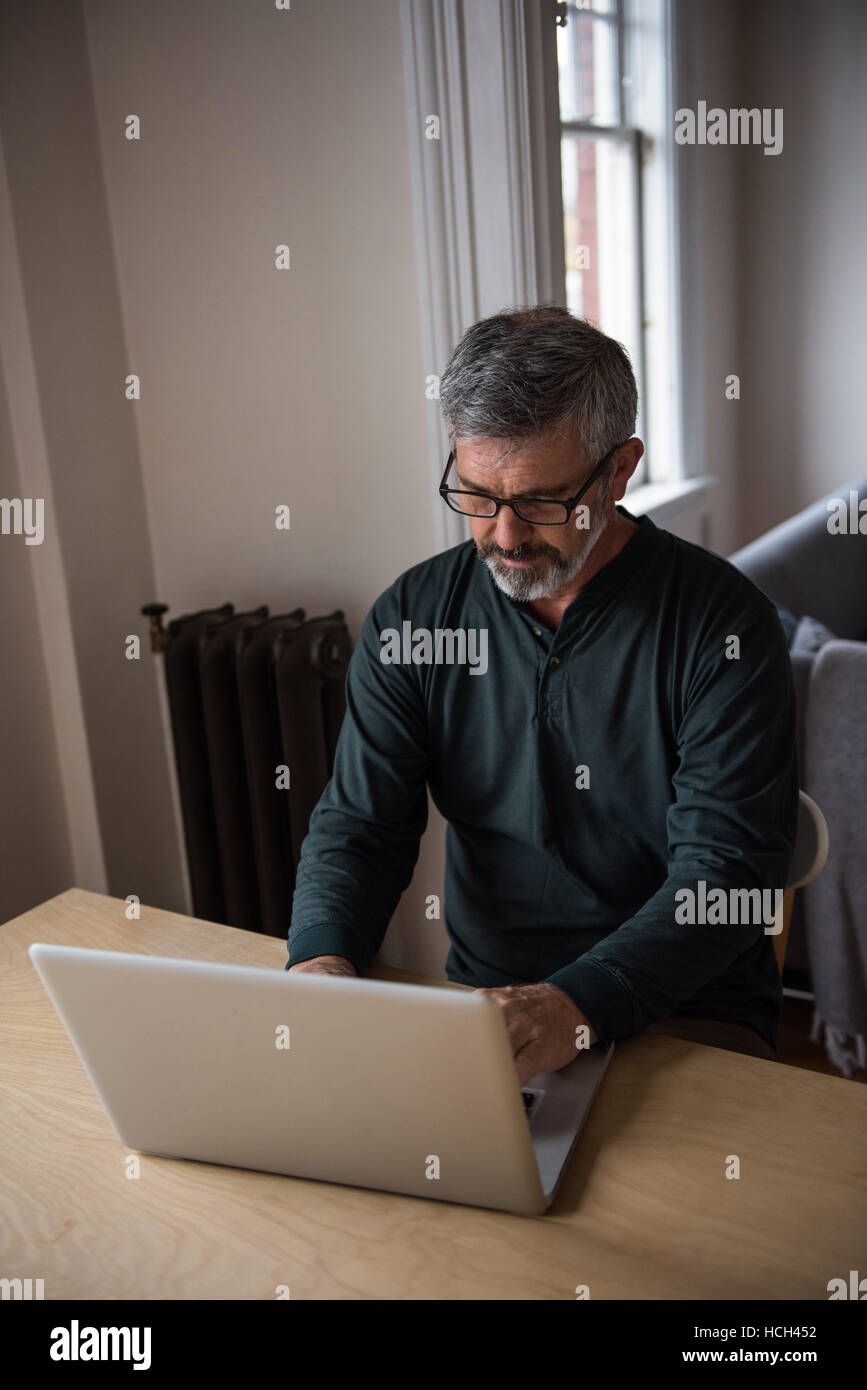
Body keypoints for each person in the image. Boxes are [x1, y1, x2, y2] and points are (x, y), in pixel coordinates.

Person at [287, 306, 798, 1079]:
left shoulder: (723, 625)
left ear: (619, 469)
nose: (503, 535)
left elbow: (723, 875)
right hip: (487, 1005)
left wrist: (577, 1004)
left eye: (541, 502)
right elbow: (362, 824)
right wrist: (320, 958)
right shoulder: (412, 618)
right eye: (476, 494)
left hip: (689, 1010)